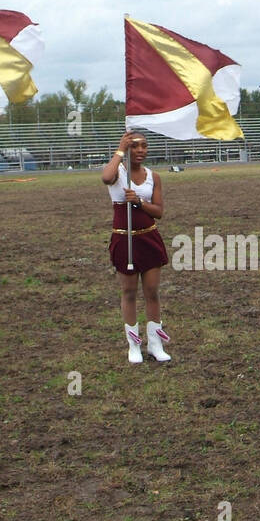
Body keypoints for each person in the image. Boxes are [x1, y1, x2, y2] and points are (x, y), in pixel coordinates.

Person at [100, 131, 169, 364]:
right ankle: (133, 345)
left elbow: (159, 212)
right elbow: (105, 177)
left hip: (149, 238)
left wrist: (139, 202)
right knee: (129, 292)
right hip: (124, 240)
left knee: (152, 292)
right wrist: (120, 149)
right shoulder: (118, 173)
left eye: (144, 146)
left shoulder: (154, 176)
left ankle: (155, 344)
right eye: (135, 146)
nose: (140, 150)